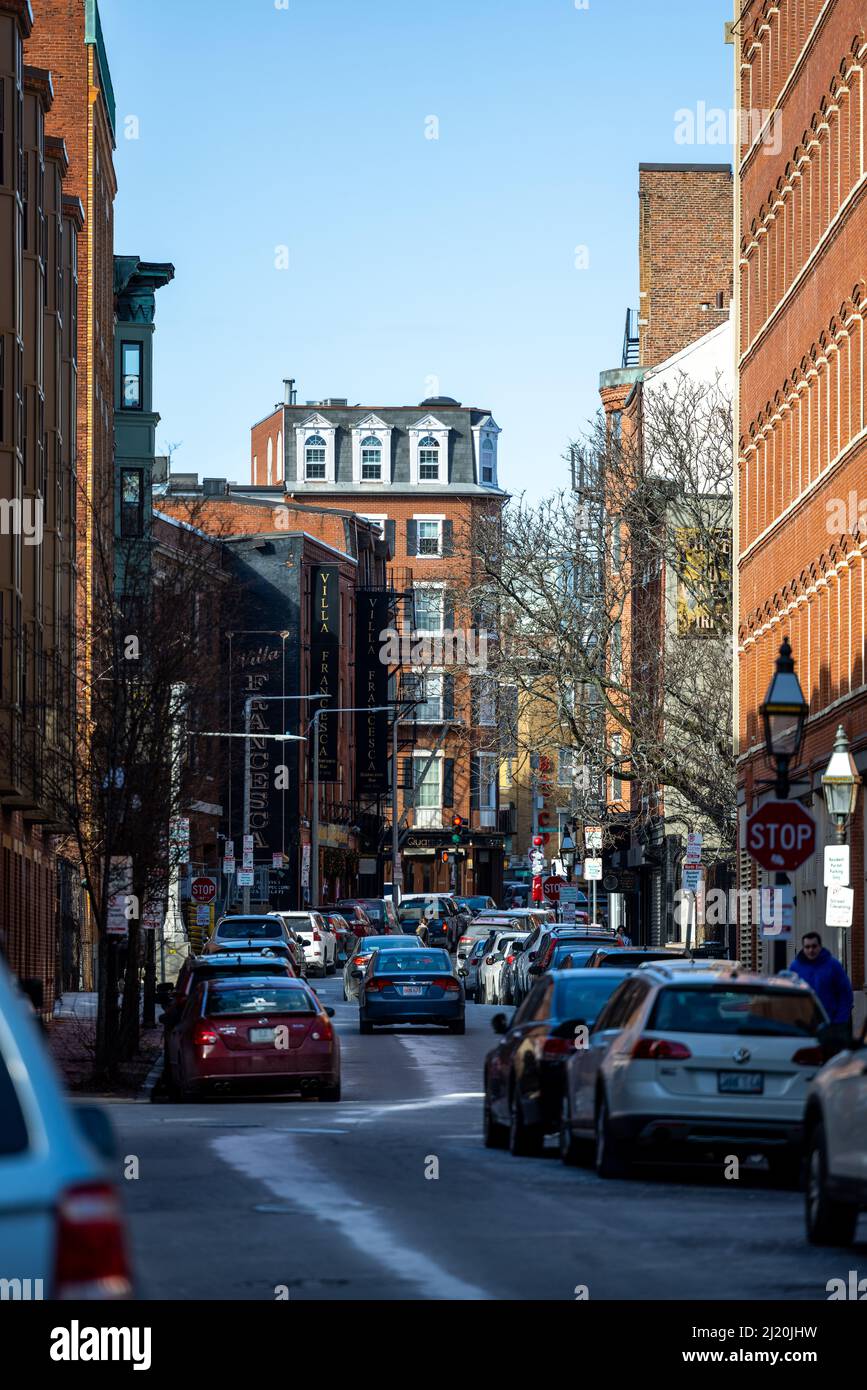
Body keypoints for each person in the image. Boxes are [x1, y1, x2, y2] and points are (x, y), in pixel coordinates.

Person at [789, 931, 854, 1045]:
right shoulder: (795, 967)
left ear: (820, 946)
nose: (811, 950)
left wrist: (840, 1020)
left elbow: (845, 994)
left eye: (814, 946)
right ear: (803, 948)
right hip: (804, 1026)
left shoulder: (833, 966)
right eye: (807, 947)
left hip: (831, 1023)